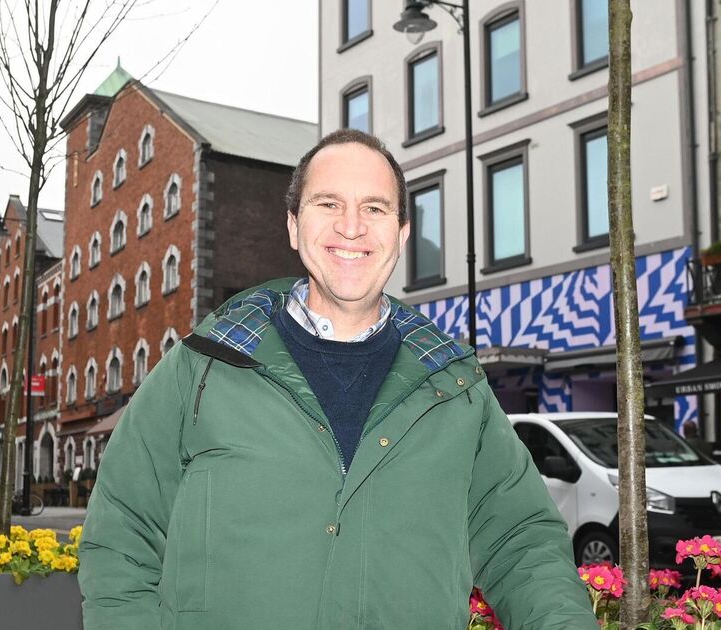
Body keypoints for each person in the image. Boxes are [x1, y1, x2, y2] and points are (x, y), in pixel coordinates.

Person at [78, 129, 594, 629]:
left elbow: (521, 541)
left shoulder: (456, 388)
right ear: (293, 226)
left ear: (402, 232)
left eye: (374, 208)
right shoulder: (204, 367)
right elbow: (123, 533)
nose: (352, 226)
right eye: (328, 204)